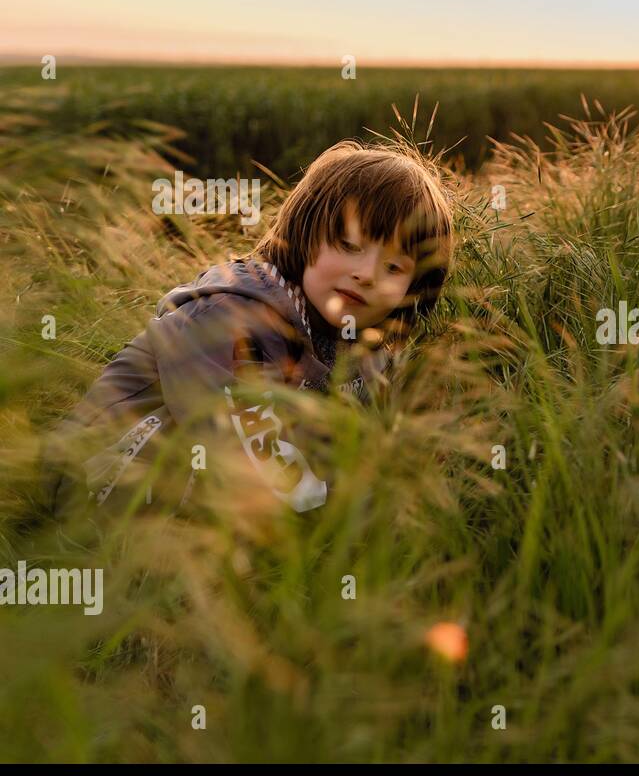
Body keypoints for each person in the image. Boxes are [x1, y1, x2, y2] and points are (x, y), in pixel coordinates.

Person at [40, 140, 455, 522]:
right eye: (349, 245)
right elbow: (249, 467)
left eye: (394, 267)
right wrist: (359, 509)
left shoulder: (354, 344)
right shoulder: (228, 317)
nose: (366, 274)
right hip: (96, 493)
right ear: (305, 233)